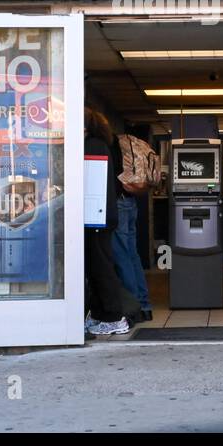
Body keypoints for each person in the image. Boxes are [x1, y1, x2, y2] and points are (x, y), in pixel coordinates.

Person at [84, 108, 131, 336]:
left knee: (101, 267)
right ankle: (99, 314)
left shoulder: (92, 146)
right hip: (101, 214)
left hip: (96, 216)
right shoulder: (103, 143)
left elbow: (91, 182)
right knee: (97, 266)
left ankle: (113, 316)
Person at [111, 137, 153, 322]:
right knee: (132, 255)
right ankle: (144, 306)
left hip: (117, 203)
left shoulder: (107, 145)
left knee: (122, 256)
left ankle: (133, 307)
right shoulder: (123, 142)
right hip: (130, 202)